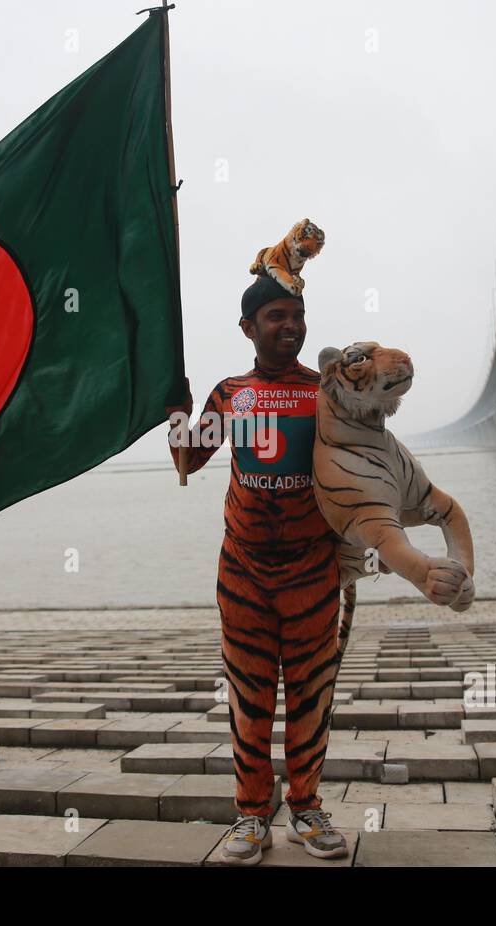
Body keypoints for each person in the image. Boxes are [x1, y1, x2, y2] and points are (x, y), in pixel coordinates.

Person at [165, 270, 348, 865]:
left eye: (297, 315)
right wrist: (177, 413)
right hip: (243, 569)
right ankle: (249, 815)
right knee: (249, 698)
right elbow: (190, 459)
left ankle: (306, 808)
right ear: (249, 328)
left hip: (313, 570)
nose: (290, 326)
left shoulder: (326, 391)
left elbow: (362, 464)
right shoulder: (231, 393)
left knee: (311, 695)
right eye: (276, 317)